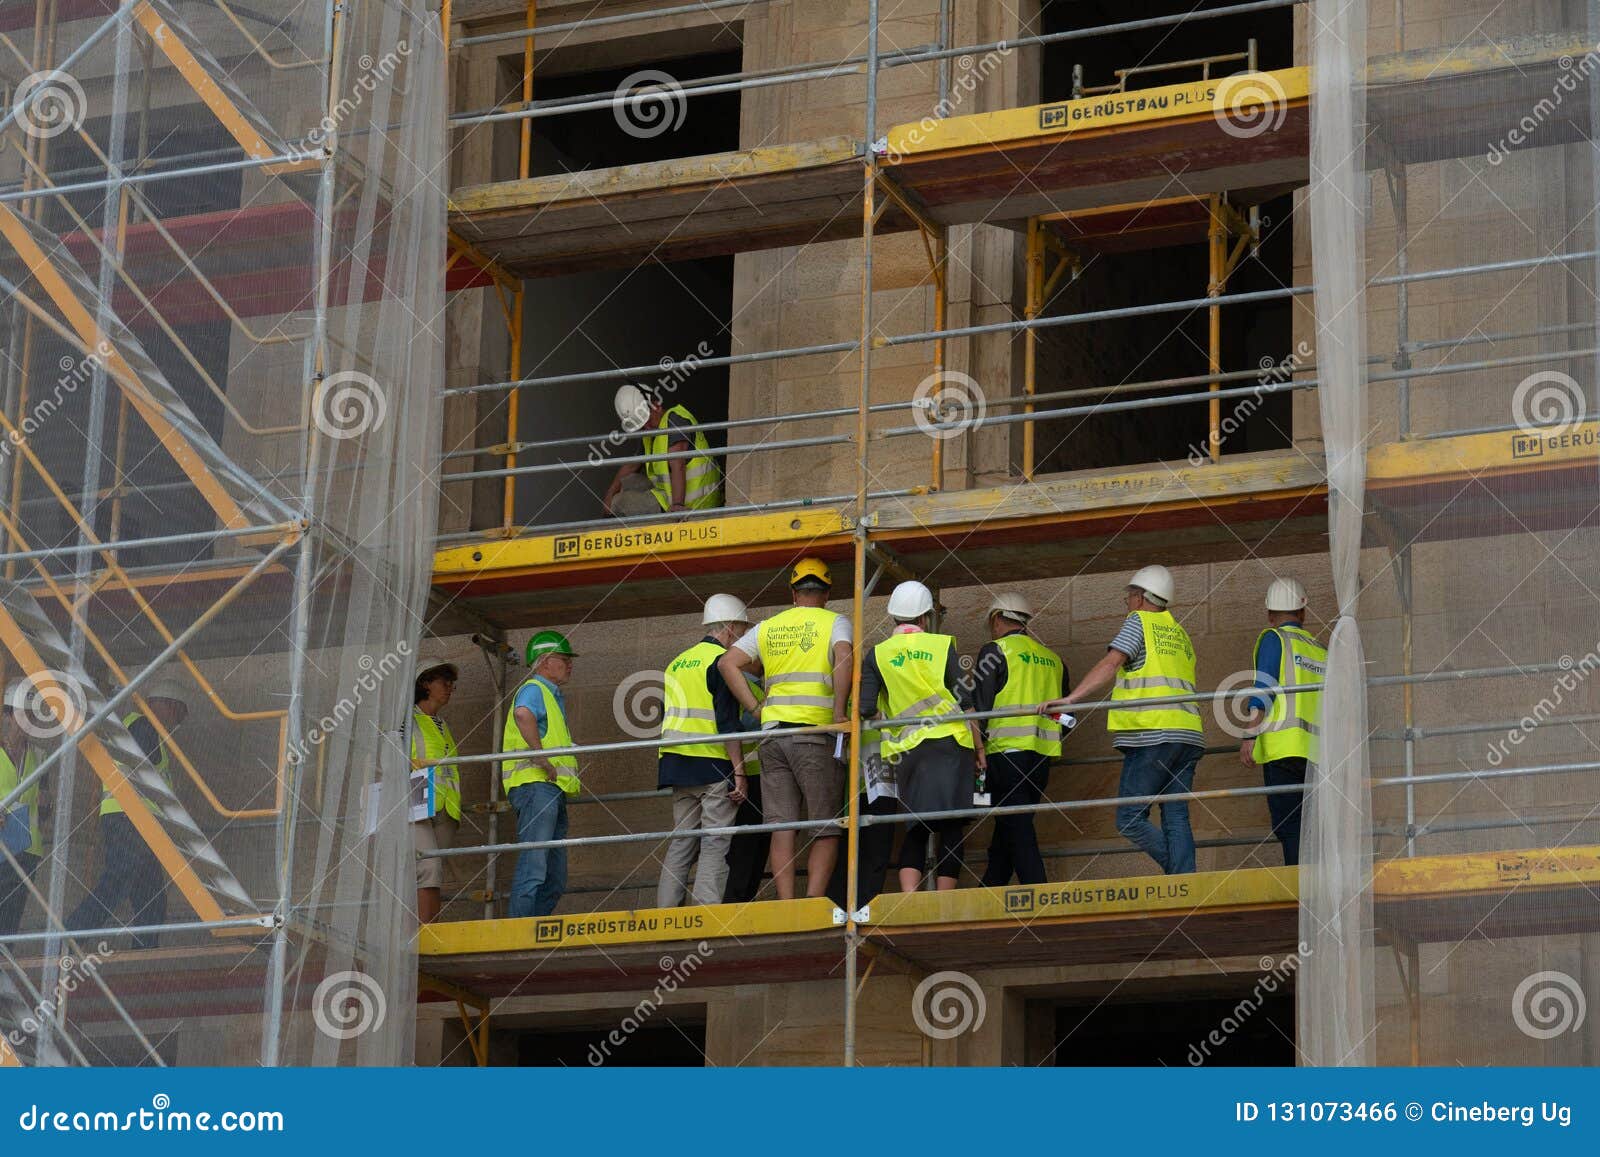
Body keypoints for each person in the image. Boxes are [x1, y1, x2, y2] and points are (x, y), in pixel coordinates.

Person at [1040, 565, 1205, 875]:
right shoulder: (1179, 632)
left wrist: (1071, 699)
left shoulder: (1138, 621)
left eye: (1129, 597)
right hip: (1187, 735)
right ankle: (1187, 883)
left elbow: (1111, 663)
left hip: (1152, 734)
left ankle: (1180, 874)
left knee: (1130, 819)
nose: (1127, 603)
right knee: (1176, 816)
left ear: (1141, 597)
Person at [719, 557, 851, 900]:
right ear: (826, 593)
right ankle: (813, 903)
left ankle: (787, 905)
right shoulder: (835, 621)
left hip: (773, 736)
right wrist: (839, 712)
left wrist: (755, 707)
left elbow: (727, 662)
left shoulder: (769, 626)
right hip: (814, 733)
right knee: (825, 826)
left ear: (793, 593)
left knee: (782, 826)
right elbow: (843, 657)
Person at [861, 581, 984, 893]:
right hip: (952, 744)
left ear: (894, 616)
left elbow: (865, 708)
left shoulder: (877, 655)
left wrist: (888, 723)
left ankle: (910, 899)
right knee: (951, 826)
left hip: (908, 750)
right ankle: (943, 900)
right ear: (925, 617)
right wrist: (980, 749)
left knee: (917, 826)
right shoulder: (942, 646)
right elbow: (966, 702)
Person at [67, 676, 188, 947]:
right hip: (129, 818)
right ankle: (71, 935)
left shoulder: (145, 730)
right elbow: (142, 769)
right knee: (118, 881)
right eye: (178, 714)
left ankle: (144, 951)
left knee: (150, 896)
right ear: (167, 705)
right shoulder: (143, 726)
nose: (176, 723)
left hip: (141, 823)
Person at [657, 595, 753, 907]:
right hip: (711, 763)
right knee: (715, 841)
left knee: (682, 842)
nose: (742, 637)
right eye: (742, 629)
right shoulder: (722, 663)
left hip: (675, 764)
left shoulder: (676, 663)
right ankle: (705, 913)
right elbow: (727, 721)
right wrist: (739, 771)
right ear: (730, 627)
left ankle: (665, 913)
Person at [970, 593, 1068, 886]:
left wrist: (977, 750)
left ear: (997, 619)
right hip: (1041, 756)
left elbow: (980, 707)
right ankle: (989, 891)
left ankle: (1038, 890)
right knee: (1010, 825)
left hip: (1004, 753)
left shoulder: (995, 651)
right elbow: (1066, 716)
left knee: (1018, 826)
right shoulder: (1054, 660)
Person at [1238, 577, 1325, 867]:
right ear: (1303, 612)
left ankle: (1299, 885)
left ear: (1270, 615)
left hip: (1284, 750)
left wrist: (1249, 735)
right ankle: (1316, 884)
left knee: (1289, 826)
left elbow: (1264, 689)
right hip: (1317, 753)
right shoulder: (1319, 649)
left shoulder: (1275, 639)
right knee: (1312, 827)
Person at [501, 631, 582, 918]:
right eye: (564, 659)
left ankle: (533, 925)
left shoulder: (550, 695)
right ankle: (519, 930)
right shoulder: (535, 688)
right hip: (535, 787)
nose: (570, 665)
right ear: (545, 661)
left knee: (555, 877)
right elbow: (522, 714)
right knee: (535, 866)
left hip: (550, 790)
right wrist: (541, 759)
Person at [603, 384, 723, 517]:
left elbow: (678, 464)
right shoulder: (651, 433)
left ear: (657, 405)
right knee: (628, 483)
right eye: (641, 426)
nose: (647, 428)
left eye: (647, 420)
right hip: (669, 496)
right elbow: (632, 465)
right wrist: (610, 493)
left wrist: (678, 506)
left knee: (620, 502)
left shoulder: (675, 420)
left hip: (697, 504)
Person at [411, 654, 461, 924]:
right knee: (427, 867)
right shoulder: (406, 721)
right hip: (416, 803)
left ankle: (427, 931)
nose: (450, 687)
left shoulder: (443, 725)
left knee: (433, 871)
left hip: (443, 808)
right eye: (445, 681)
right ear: (426, 683)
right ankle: (425, 933)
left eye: (453, 683)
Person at [721, 671, 771, 904]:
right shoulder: (742, 683)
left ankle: (741, 900)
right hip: (748, 776)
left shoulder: (753, 684)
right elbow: (747, 724)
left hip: (755, 774)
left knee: (756, 843)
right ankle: (735, 901)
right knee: (746, 845)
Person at [0, 682, 44, 937]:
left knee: (11, 921)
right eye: (22, 714)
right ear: (7, 715)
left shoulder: (38, 756)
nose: (28, 722)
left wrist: (46, 803)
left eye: (32, 716)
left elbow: (43, 808)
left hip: (27, 850)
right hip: (3, 846)